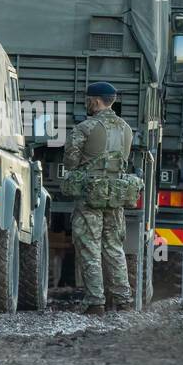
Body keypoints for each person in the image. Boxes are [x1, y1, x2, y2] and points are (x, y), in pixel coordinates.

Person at [63, 82, 134, 315]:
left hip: (90, 197)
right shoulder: (126, 129)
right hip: (116, 196)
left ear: (95, 101)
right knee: (114, 247)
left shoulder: (84, 128)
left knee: (89, 247)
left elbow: (71, 163)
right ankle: (123, 300)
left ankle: (95, 302)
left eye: (88, 99)